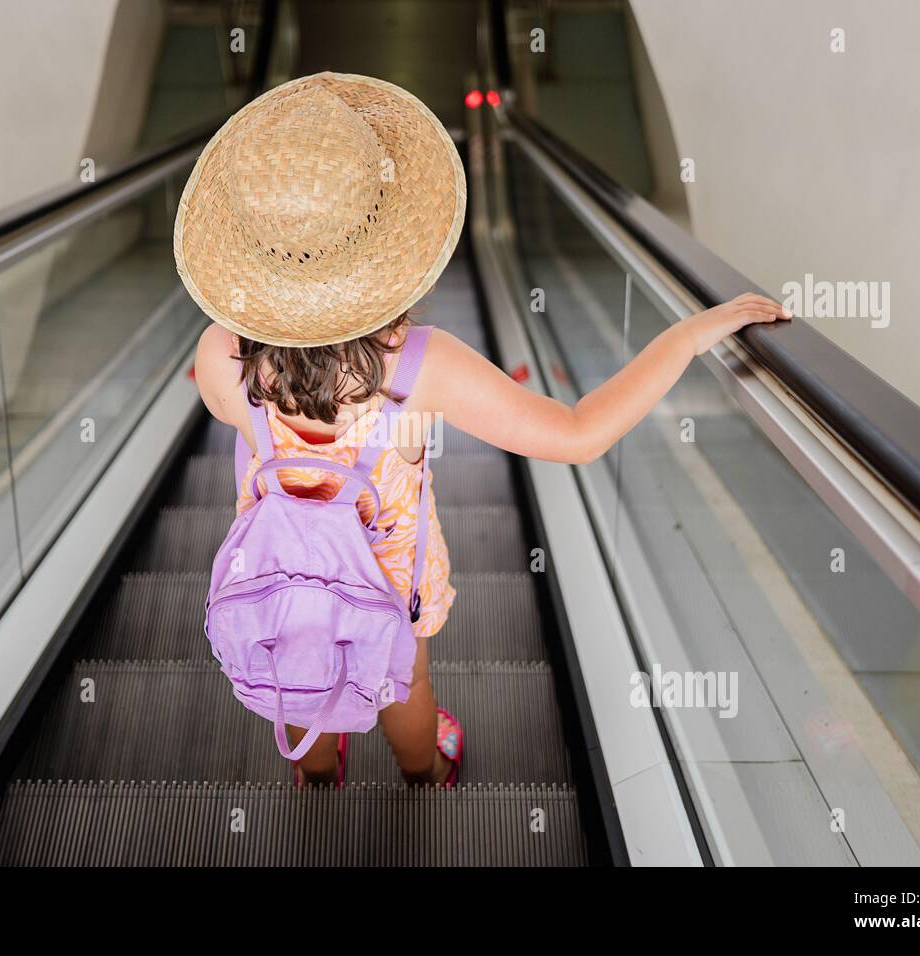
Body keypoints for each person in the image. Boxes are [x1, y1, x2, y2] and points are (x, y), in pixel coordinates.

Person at [177, 72, 789, 788]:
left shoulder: (223, 360)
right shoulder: (418, 367)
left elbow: (242, 330)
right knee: (403, 683)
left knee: (301, 675)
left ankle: (315, 772)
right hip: (387, 583)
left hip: (276, 580)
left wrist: (269, 303)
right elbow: (578, 433)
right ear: (383, 253)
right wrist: (685, 337)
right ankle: (424, 770)